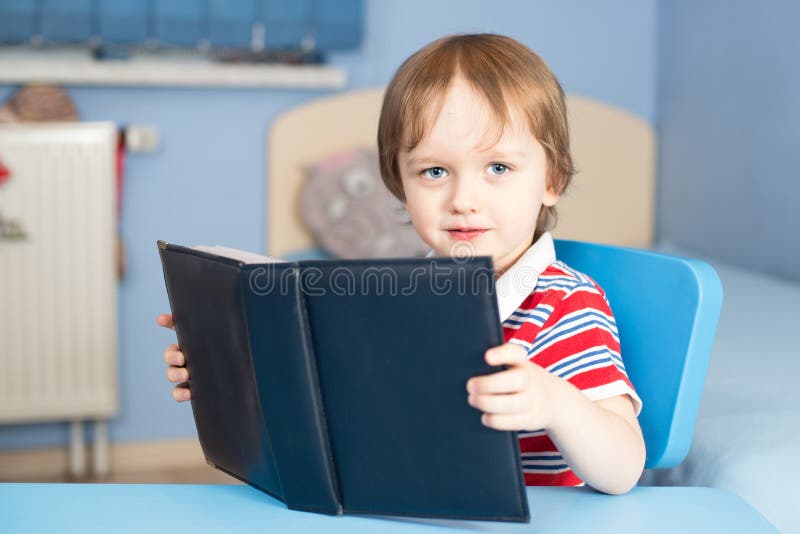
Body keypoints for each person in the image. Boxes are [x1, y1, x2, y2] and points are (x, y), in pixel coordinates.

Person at [158, 33, 645, 494]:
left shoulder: (565, 304)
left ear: (551, 180)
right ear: (399, 183)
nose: (463, 200)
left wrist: (557, 403)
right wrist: (229, 371)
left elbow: (623, 468)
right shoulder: (397, 294)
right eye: (435, 171)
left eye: (498, 168)